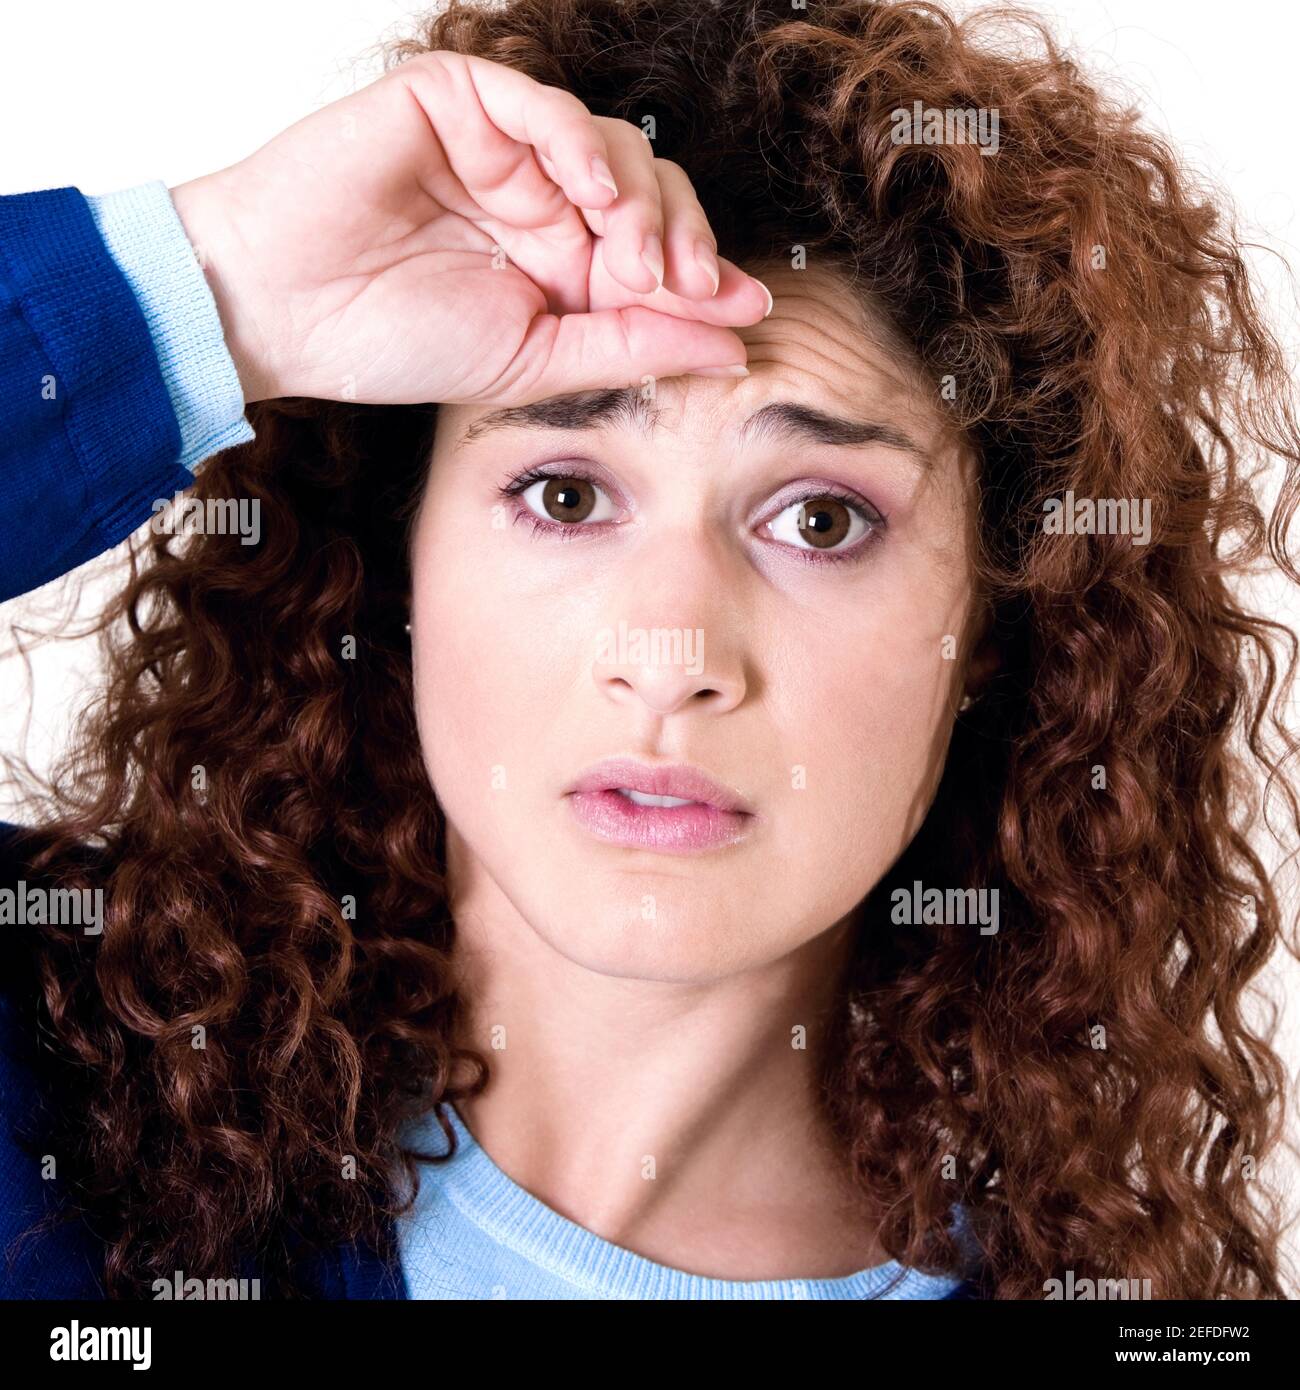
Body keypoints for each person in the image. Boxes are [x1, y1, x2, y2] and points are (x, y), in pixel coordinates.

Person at [1, 0, 1296, 1301]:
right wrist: (203, 288)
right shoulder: (57, 1077)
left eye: (822, 518)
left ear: (996, 637)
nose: (671, 651)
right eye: (566, 493)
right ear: (401, 562)